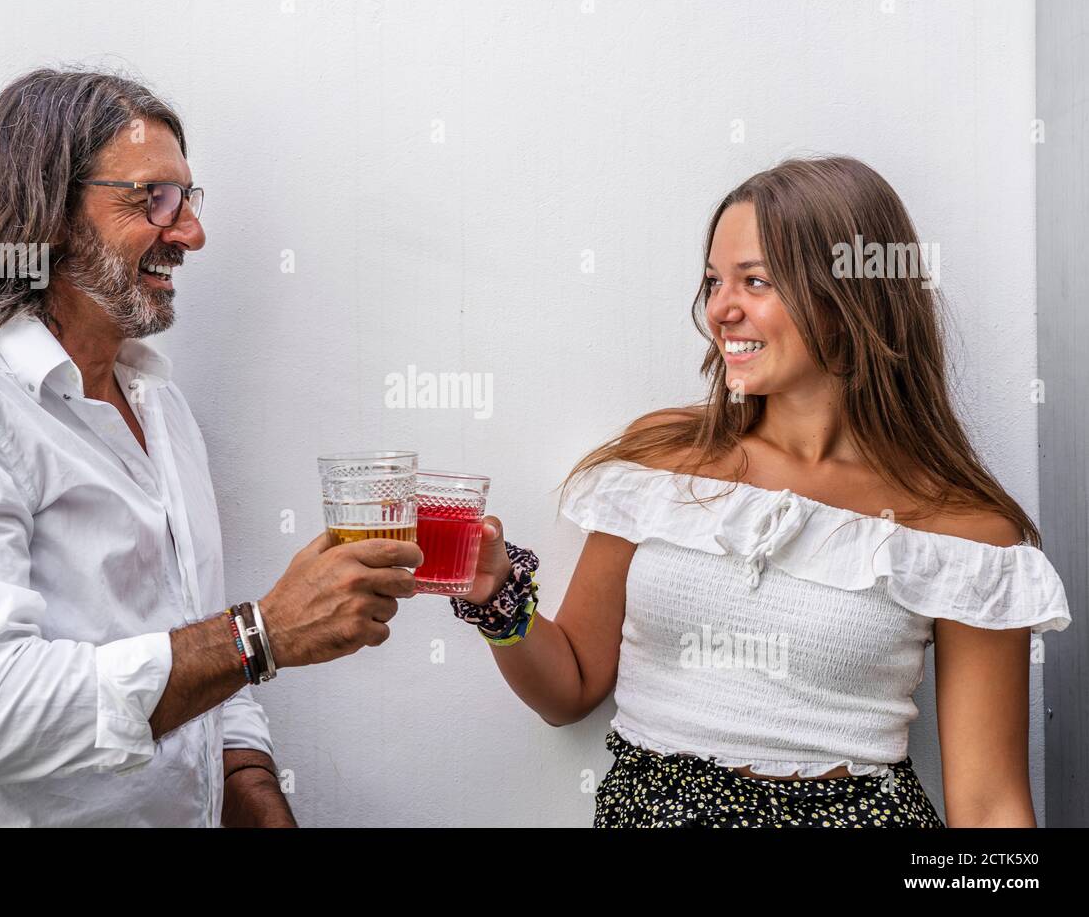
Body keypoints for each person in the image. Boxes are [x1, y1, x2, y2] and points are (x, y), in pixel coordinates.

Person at [0, 68, 419, 827]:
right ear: (49, 213)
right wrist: (260, 635)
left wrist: (258, 796)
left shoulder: (157, 405)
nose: (191, 233)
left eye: (189, 201)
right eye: (154, 199)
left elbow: (191, 654)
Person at [456, 156, 1072, 827]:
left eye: (755, 280)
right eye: (715, 282)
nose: (721, 309)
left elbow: (989, 808)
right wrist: (496, 599)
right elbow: (568, 690)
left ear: (849, 300)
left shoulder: (963, 532)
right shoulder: (664, 460)